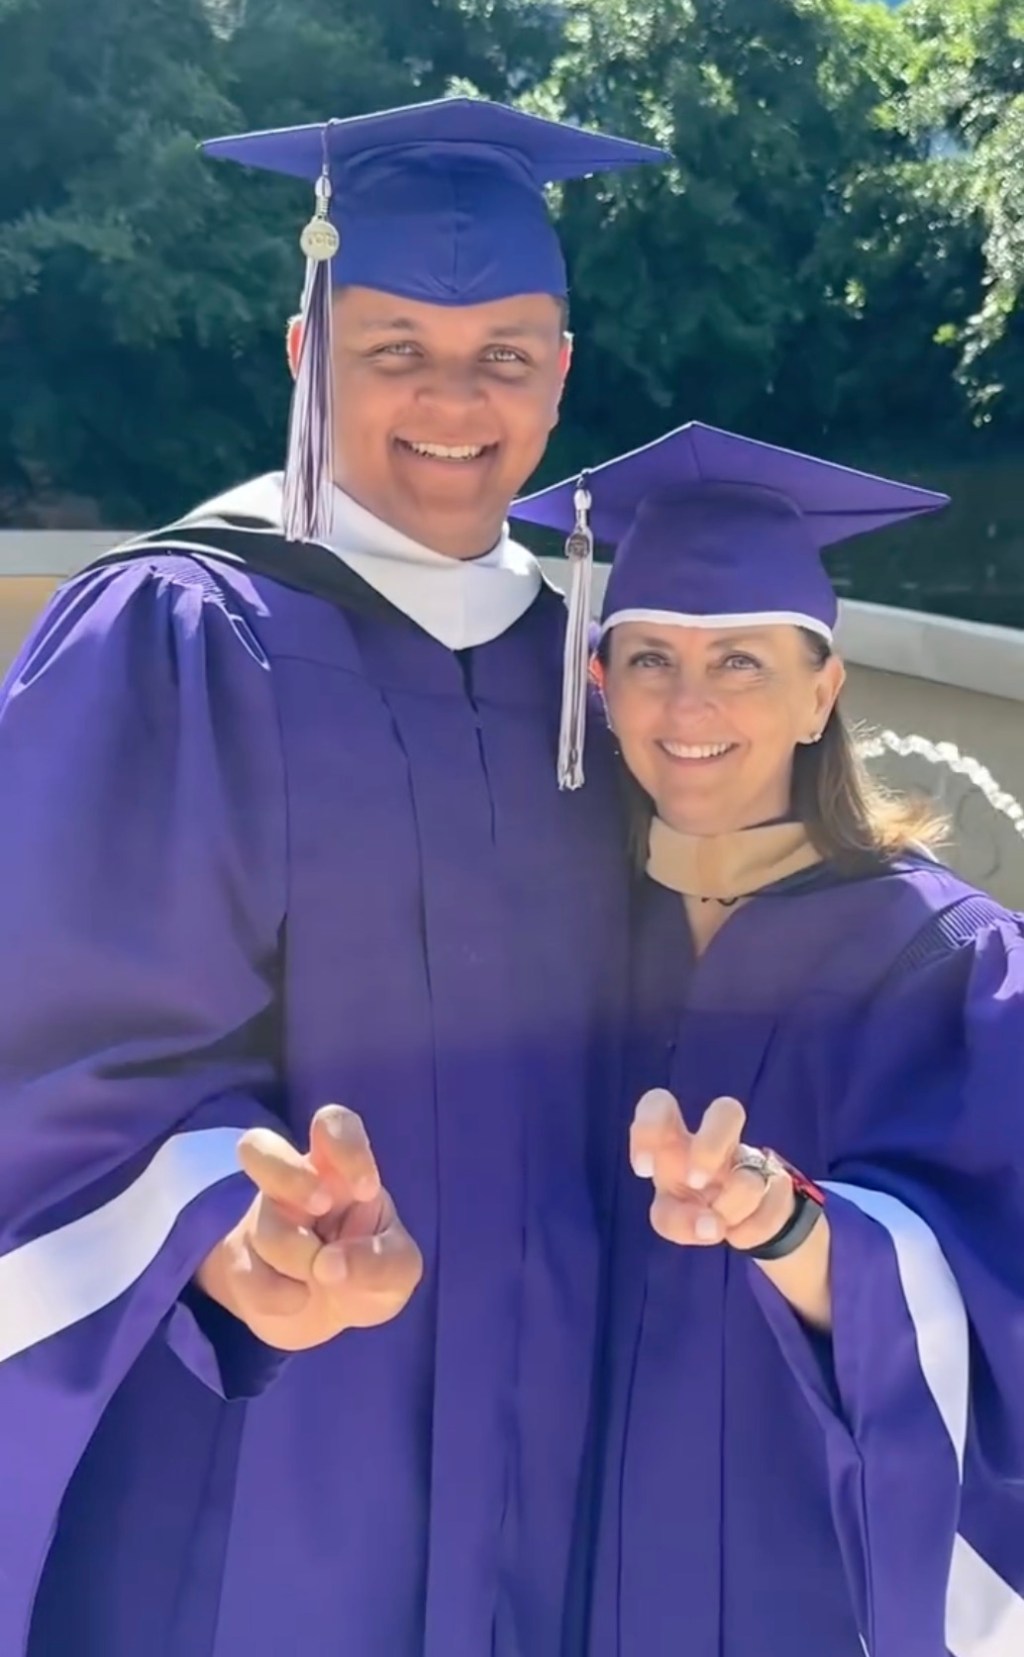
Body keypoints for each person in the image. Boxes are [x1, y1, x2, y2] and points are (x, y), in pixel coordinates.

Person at [0, 98, 666, 1657]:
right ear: (306, 357)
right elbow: (49, 1048)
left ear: (561, 377)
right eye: (395, 350)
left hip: (556, 1419)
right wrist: (237, 1251)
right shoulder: (178, 633)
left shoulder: (591, 669)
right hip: (257, 1416)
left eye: (506, 353)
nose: (456, 396)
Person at [512, 422, 1024, 1657]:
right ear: (599, 685)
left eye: (740, 660)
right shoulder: (543, 944)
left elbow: (998, 1301)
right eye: (646, 658)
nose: (687, 703)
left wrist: (788, 1225)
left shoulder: (952, 966)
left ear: (821, 691)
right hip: (562, 1555)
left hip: (809, 1572)